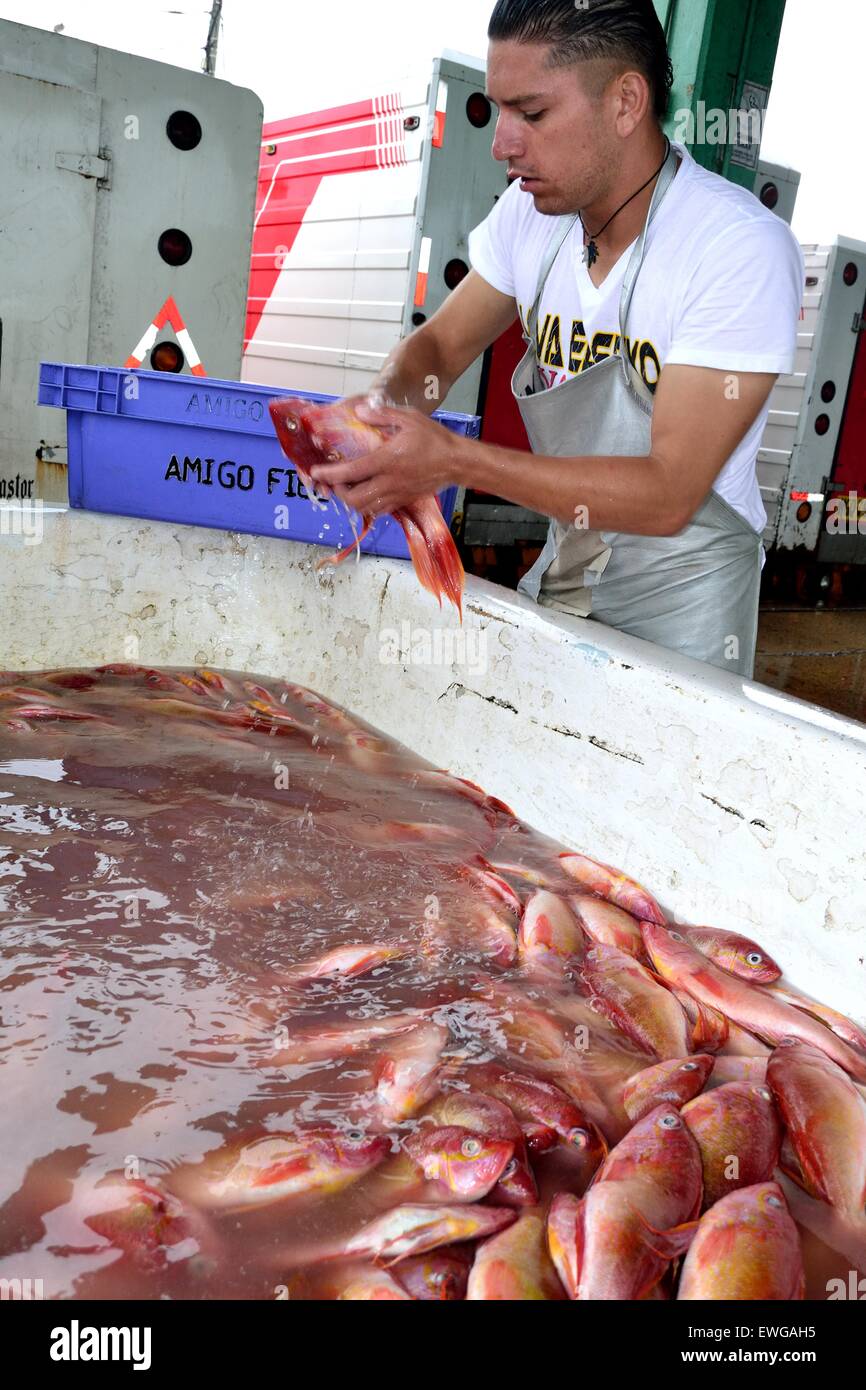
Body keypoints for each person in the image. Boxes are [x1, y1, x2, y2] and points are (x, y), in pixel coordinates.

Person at [305, 0, 805, 677]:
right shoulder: (530, 218)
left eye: (532, 114)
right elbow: (439, 351)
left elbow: (668, 491)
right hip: (569, 573)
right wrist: (379, 413)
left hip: (684, 612)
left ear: (626, 101)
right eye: (499, 110)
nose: (502, 143)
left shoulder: (735, 249)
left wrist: (455, 460)